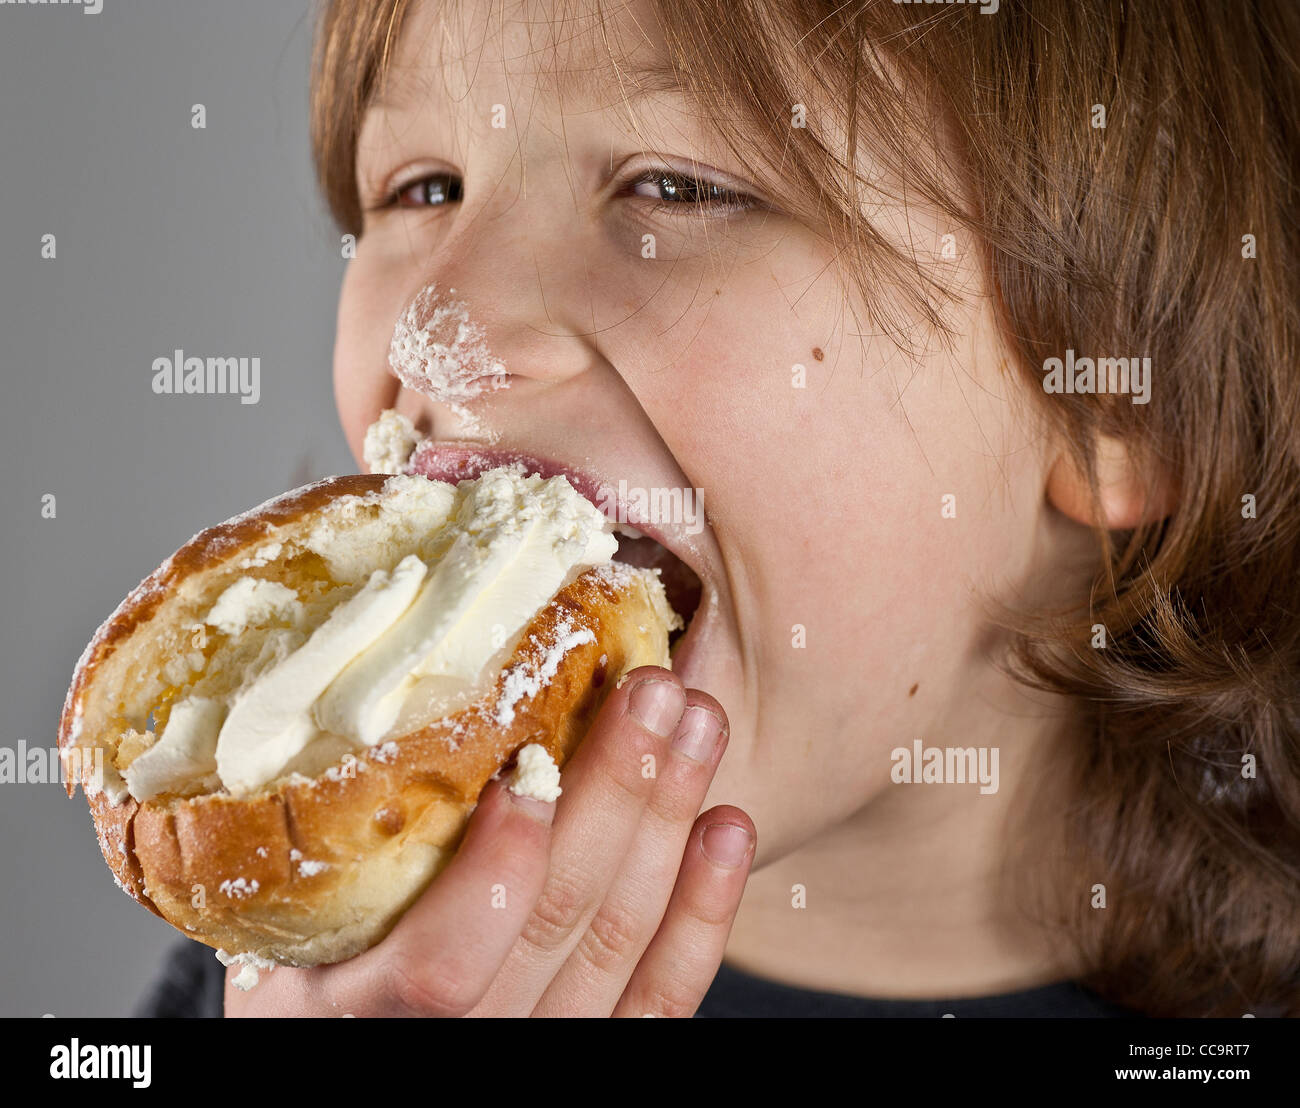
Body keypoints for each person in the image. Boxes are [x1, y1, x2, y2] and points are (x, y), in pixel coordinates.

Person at [136, 0, 1300, 1017]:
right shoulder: (293, 996)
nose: (440, 331)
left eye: (674, 187)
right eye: (422, 187)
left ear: (1119, 398)